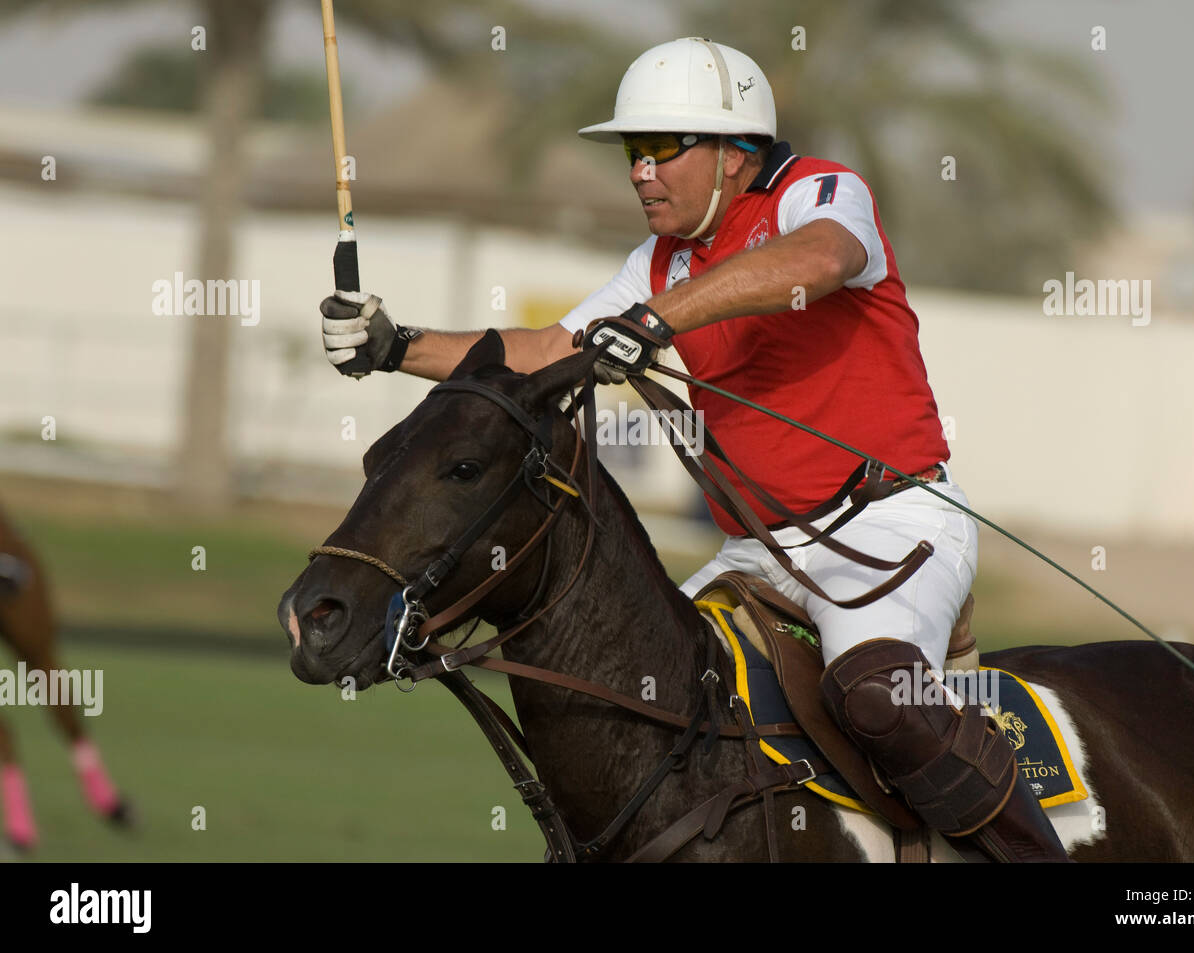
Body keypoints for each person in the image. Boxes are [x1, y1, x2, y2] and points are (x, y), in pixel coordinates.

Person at [318, 37, 1067, 862]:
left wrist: (659, 318)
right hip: (759, 552)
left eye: (661, 149)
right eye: (633, 153)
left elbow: (822, 260)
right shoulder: (658, 261)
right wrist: (397, 344)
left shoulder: (814, 192)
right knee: (638, 688)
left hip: (890, 528)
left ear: (736, 153)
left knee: (877, 694)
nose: (640, 171)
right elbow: (541, 348)